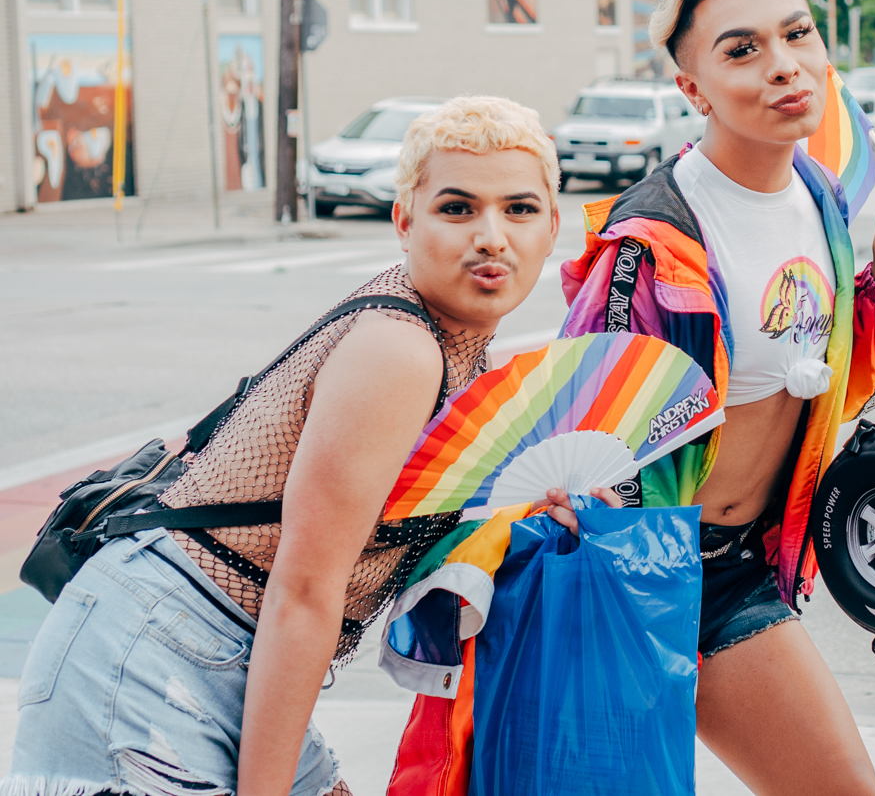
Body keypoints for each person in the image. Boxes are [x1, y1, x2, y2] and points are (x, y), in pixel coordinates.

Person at [5, 96, 564, 796]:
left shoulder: (463, 355)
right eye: (457, 208)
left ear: (553, 229)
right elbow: (304, 587)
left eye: (519, 209)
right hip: (158, 647)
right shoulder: (403, 350)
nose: (491, 235)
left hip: (229, 645)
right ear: (404, 222)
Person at [556, 0, 875, 795]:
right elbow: (576, 437)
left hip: (738, 574)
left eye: (796, 33)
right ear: (693, 90)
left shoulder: (820, 196)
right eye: (741, 50)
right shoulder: (651, 243)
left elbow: (831, 388)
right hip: (634, 580)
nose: (783, 65)